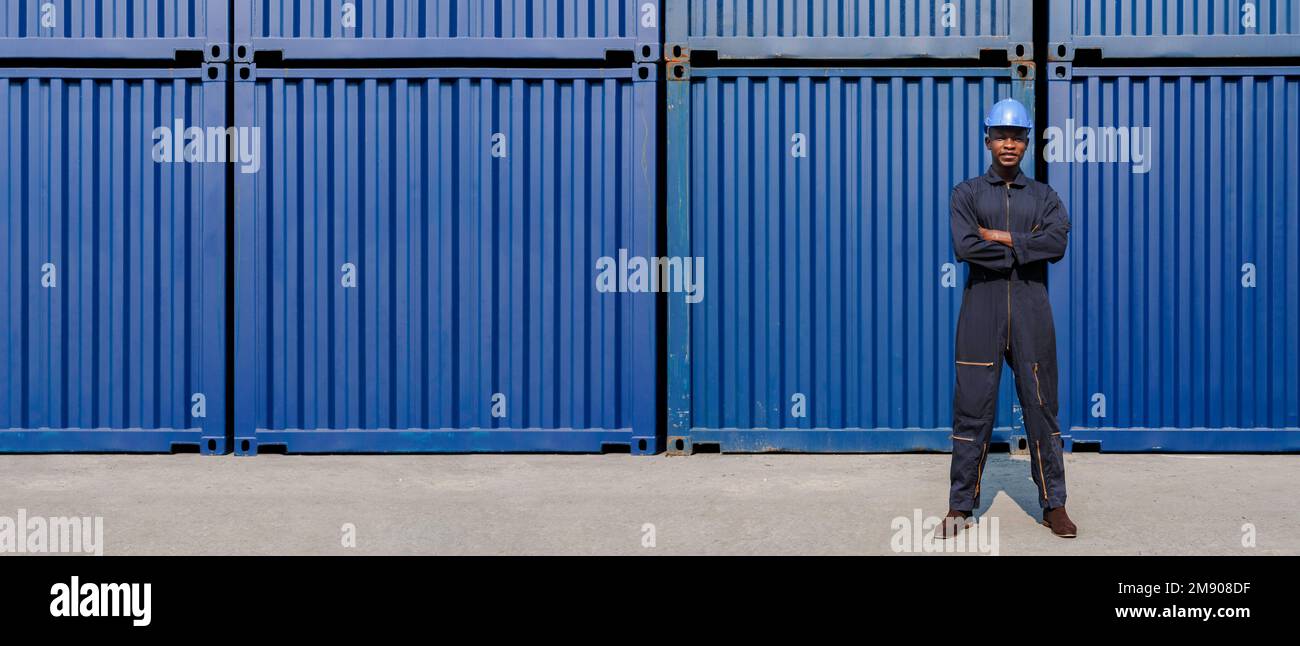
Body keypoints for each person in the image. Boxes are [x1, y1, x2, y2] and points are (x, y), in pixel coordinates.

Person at [938, 98, 1077, 539]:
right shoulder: (966, 194)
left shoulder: (1045, 197)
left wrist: (1000, 236)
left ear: (1026, 142)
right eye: (1001, 135)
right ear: (988, 140)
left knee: (1041, 409)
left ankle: (1055, 504)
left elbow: (1056, 245)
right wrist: (1025, 245)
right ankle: (960, 506)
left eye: (1017, 136)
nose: (1009, 143)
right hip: (982, 307)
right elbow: (965, 247)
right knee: (972, 410)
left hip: (1032, 310)